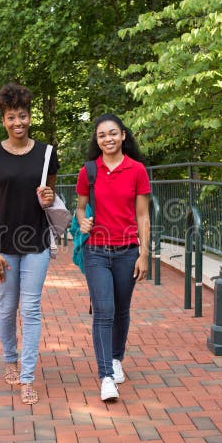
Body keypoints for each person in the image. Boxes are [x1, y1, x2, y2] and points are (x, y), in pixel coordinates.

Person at [0, 82, 59, 405]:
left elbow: (50, 198)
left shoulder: (46, 154)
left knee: (31, 308)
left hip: (37, 242)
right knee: (7, 307)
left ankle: (27, 377)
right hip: (4, 244)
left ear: (30, 117)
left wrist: (49, 197)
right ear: (3, 119)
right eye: (11, 117)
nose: (18, 123)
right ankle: (9, 359)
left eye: (23, 116)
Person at [75, 113, 151, 402]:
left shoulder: (137, 170)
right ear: (97, 141)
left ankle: (116, 358)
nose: (107, 139)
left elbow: (143, 215)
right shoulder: (89, 172)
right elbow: (81, 208)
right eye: (101, 135)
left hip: (127, 251)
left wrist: (144, 255)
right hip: (96, 251)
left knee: (121, 309)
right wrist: (83, 220)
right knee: (104, 310)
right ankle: (106, 376)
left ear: (122, 136)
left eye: (112, 133)